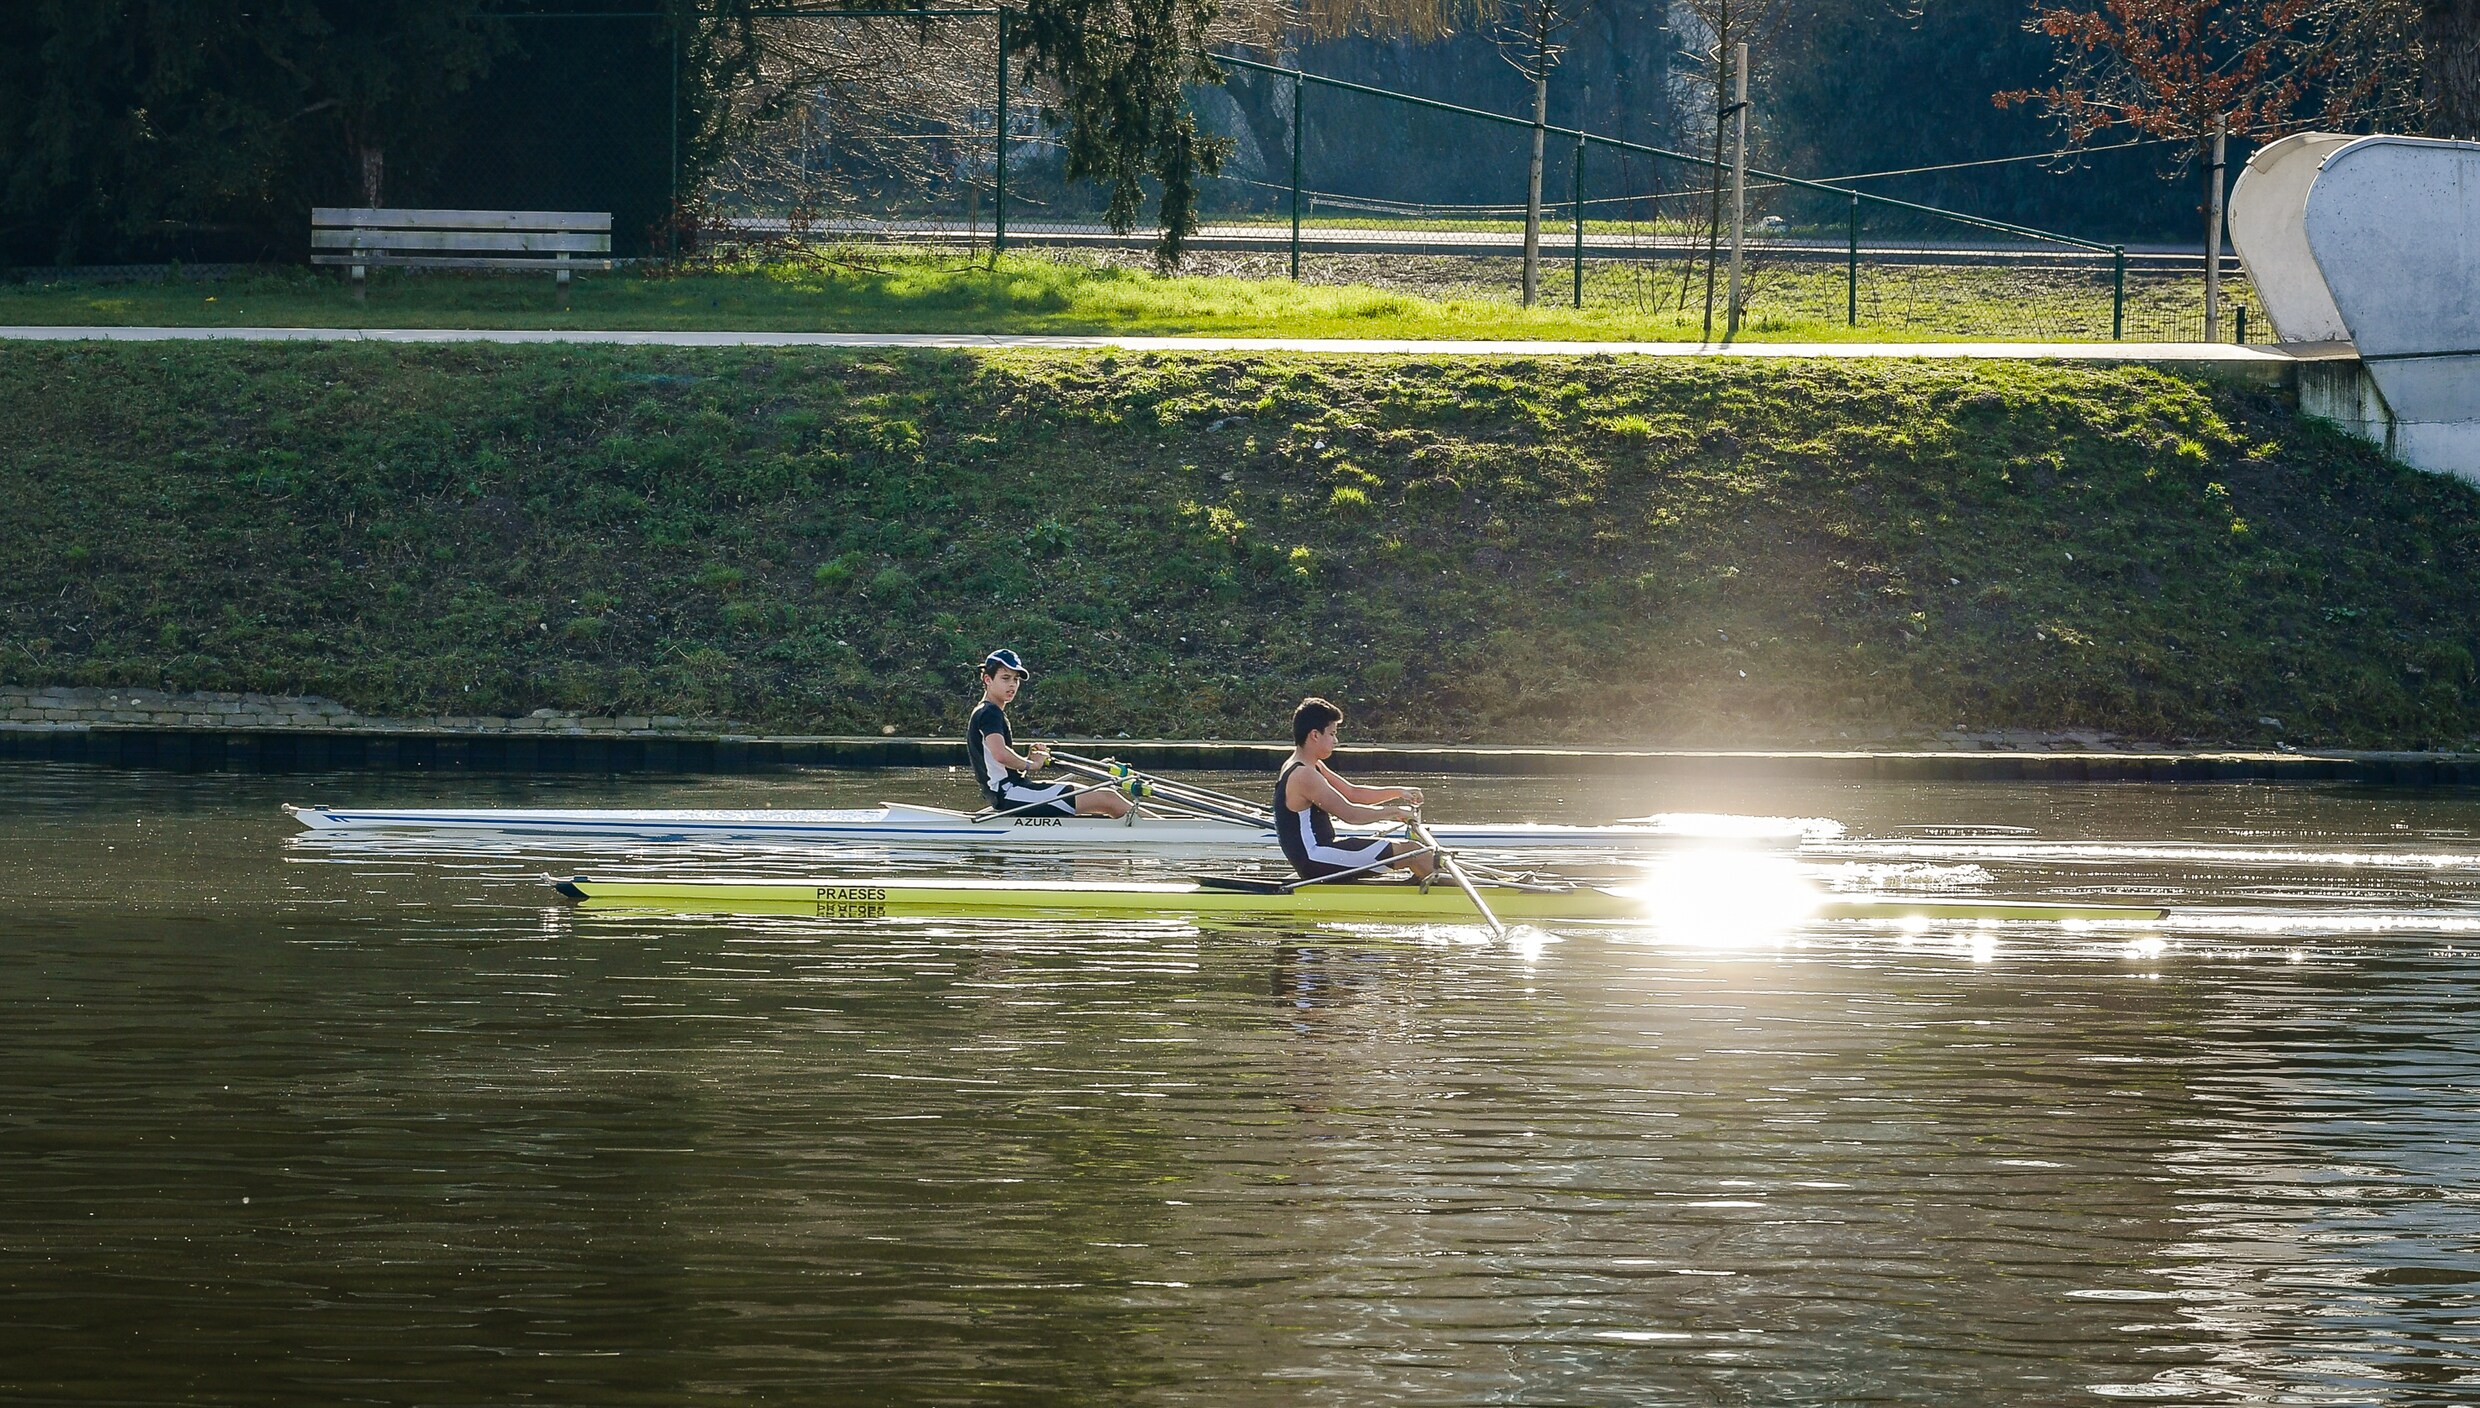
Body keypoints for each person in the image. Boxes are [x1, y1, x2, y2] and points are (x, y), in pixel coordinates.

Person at [1275, 696, 1435, 881]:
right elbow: (1351, 815)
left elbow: (1353, 793)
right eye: (1332, 733)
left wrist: (1400, 792)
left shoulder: (1309, 765)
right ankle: (1451, 895)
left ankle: (1429, 885)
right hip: (1315, 859)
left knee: (1416, 855)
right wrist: (1394, 812)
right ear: (1315, 735)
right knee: (1414, 852)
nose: (1336, 740)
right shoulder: (1304, 775)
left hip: (1321, 854)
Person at [966, 649, 1130, 819]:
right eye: (1005, 678)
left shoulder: (987, 711)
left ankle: (1151, 825)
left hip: (1011, 792)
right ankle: (1157, 829)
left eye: (1016, 679)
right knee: (1108, 798)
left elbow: (1000, 764)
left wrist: (1028, 759)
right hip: (1010, 794)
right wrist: (1031, 764)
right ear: (987, 679)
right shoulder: (990, 712)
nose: (1012, 685)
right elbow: (1000, 754)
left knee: (1106, 795)